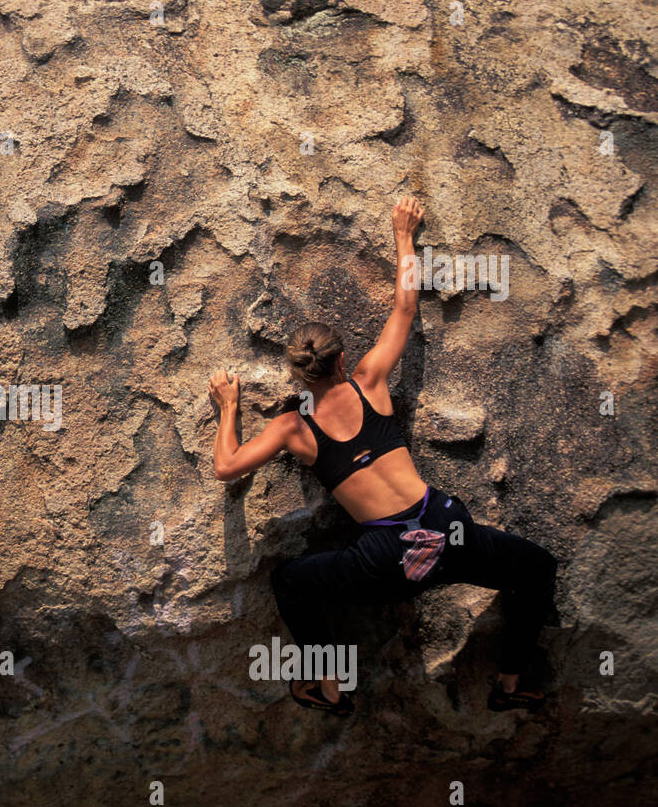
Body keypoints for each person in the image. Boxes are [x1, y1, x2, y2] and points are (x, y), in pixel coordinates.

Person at [208, 197, 555, 717]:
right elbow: (405, 309)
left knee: (290, 581)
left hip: (388, 562)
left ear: (297, 375)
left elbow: (225, 467)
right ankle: (510, 684)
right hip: (445, 530)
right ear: (342, 359)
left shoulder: (292, 427)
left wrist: (229, 407)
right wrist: (402, 234)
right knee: (536, 567)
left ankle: (328, 686)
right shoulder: (370, 382)